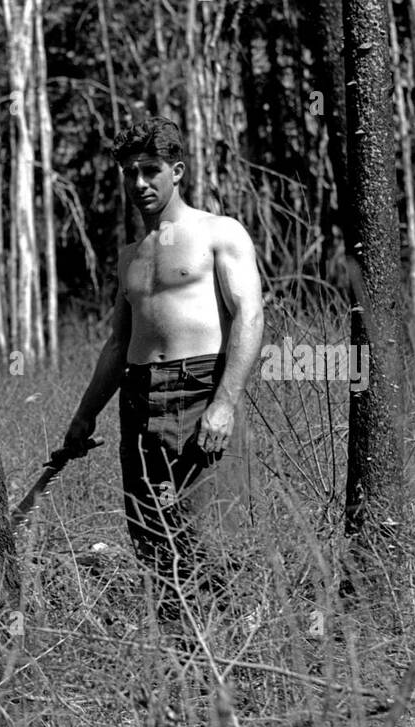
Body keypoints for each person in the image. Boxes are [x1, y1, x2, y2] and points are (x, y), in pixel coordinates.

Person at [54, 117, 263, 624]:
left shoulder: (220, 232)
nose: (139, 183)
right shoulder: (131, 255)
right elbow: (117, 344)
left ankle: (235, 640)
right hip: (138, 397)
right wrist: (84, 416)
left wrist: (224, 403)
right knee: (151, 534)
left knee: (206, 533)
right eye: (130, 172)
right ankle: (178, 651)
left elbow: (250, 316)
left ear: (177, 171)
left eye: (150, 170)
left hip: (199, 392)